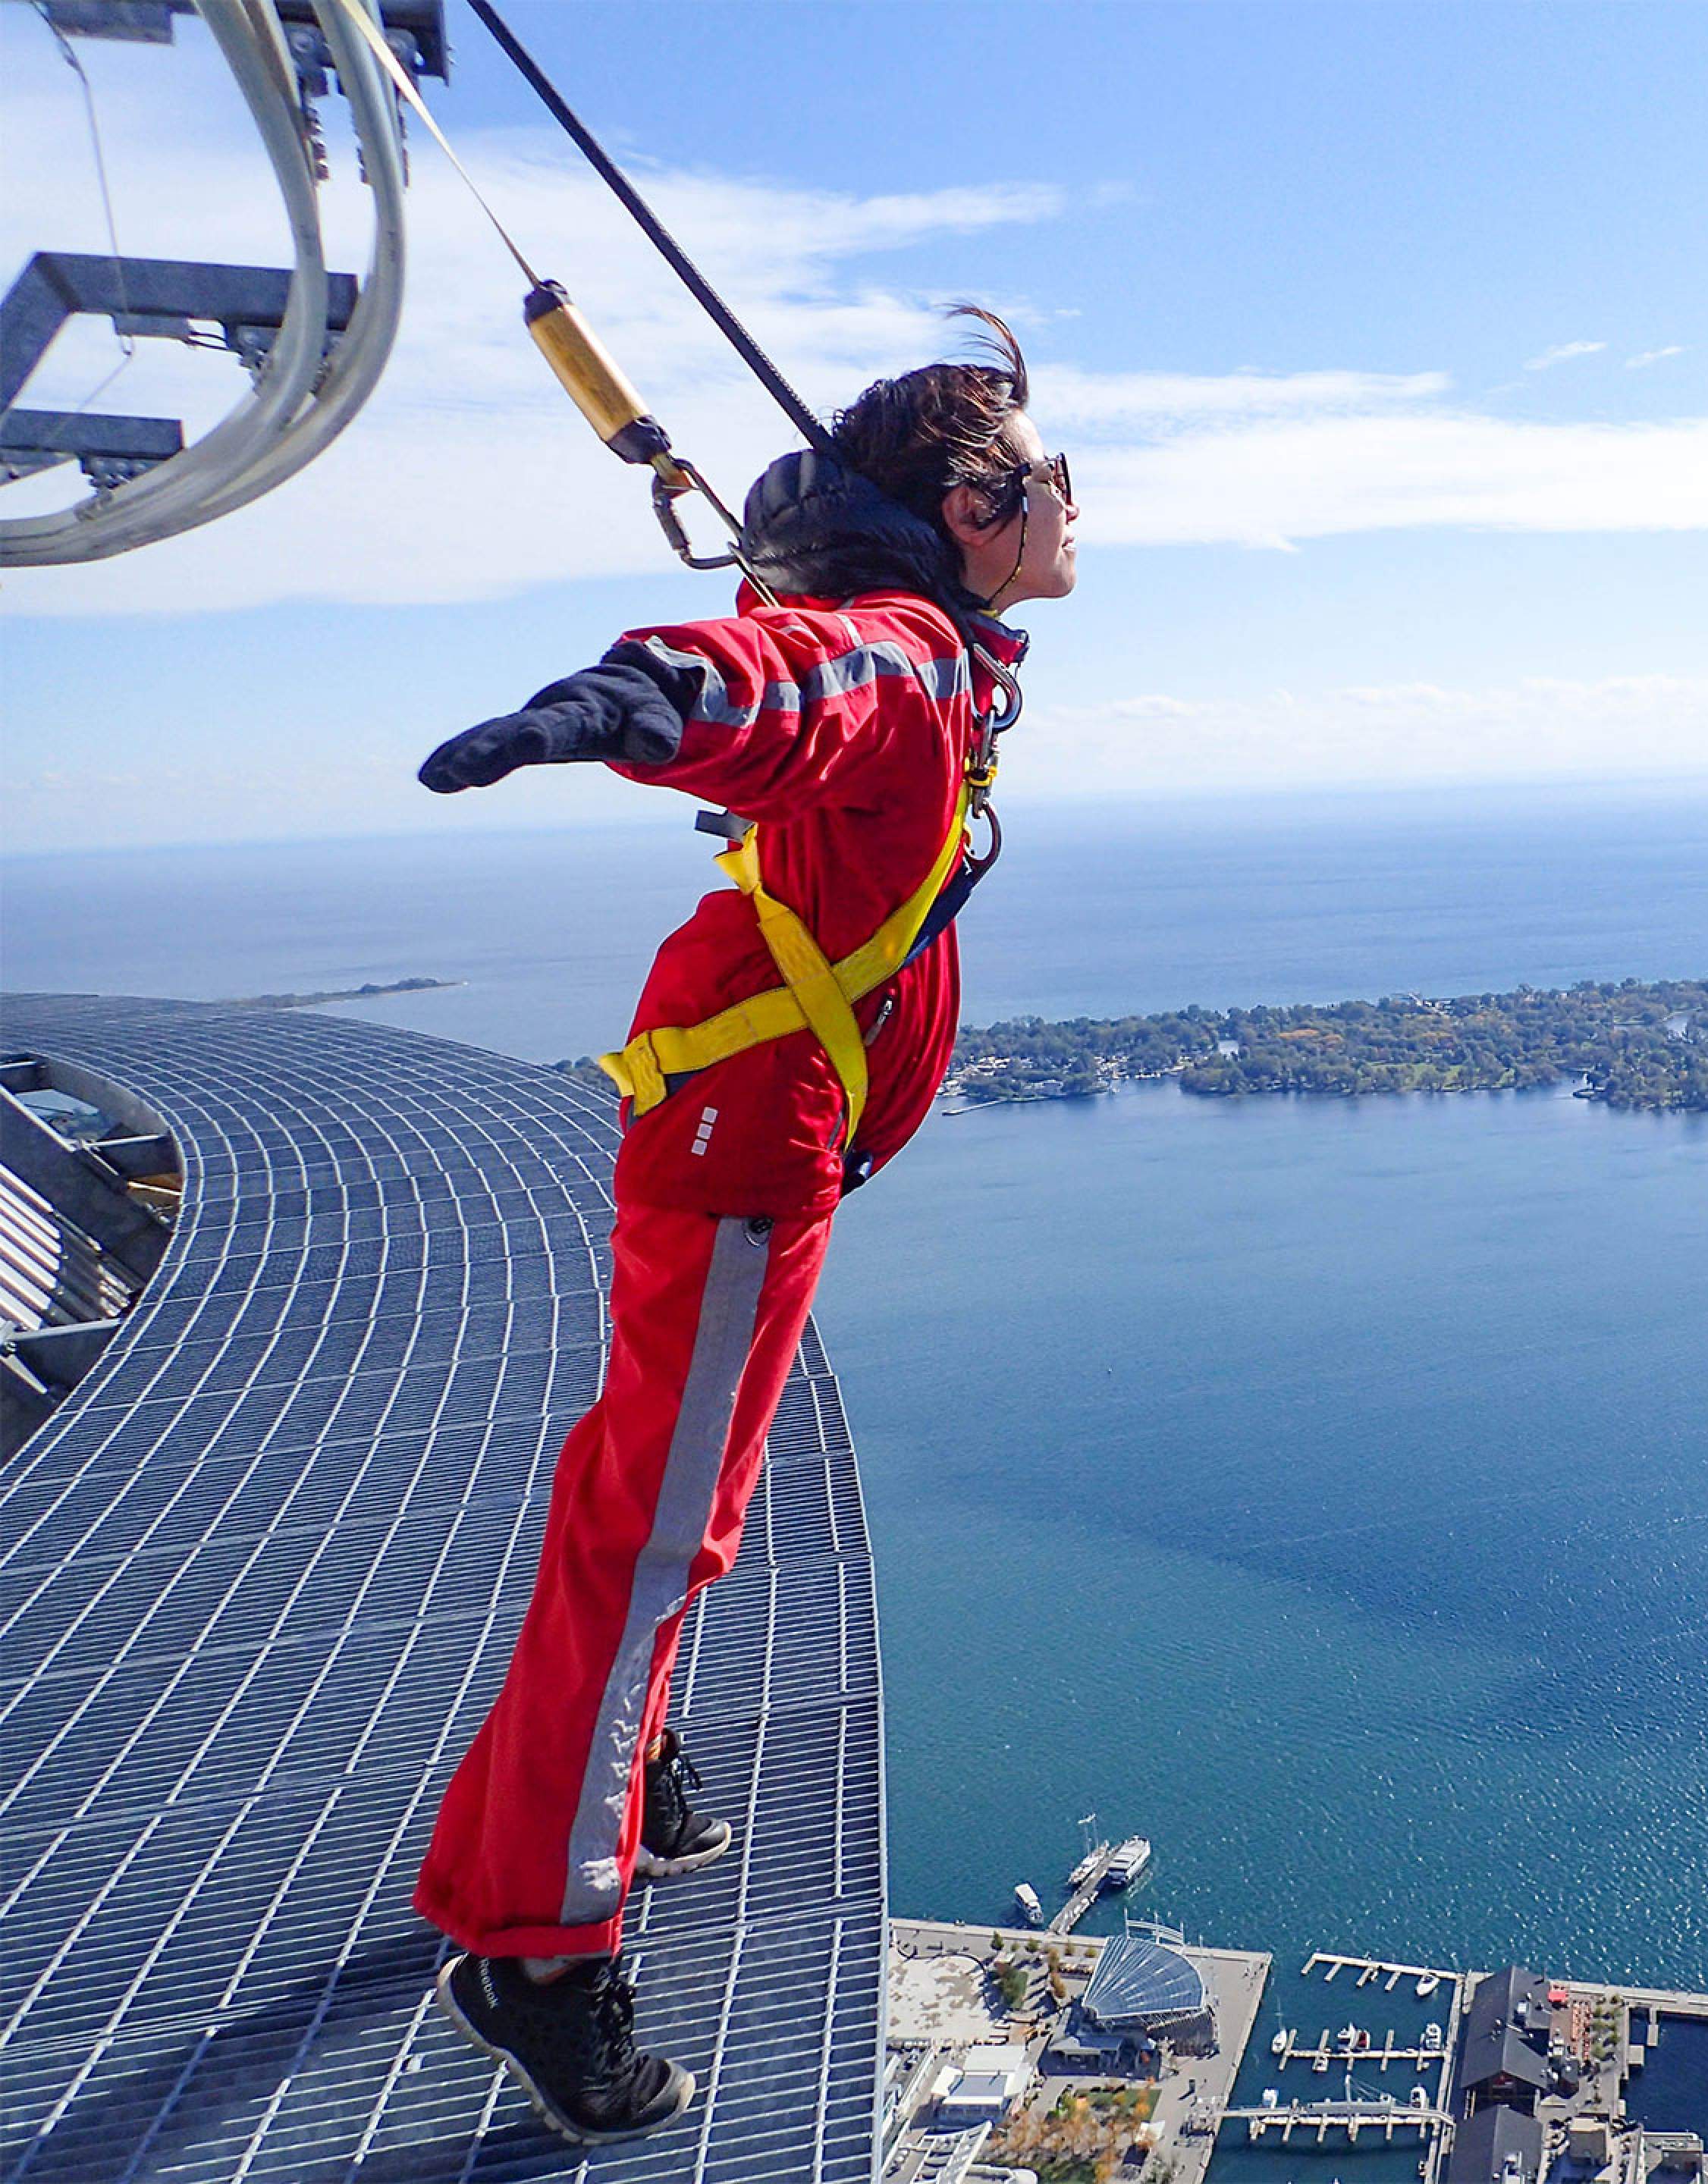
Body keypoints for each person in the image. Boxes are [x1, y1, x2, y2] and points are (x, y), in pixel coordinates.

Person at [409, 309, 1077, 2147]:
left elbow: (809, 669)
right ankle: (539, 1959)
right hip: (744, 1144)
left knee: (659, 1509)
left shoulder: (939, 649)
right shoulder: (903, 651)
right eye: (1053, 481)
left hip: (757, 1129)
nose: (1074, 508)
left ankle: (619, 1770)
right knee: (645, 1543)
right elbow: (787, 678)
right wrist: (626, 704)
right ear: (971, 509)